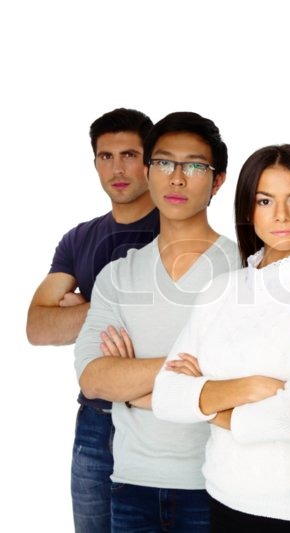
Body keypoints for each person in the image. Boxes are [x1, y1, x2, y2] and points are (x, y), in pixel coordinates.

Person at [151, 144, 290, 532]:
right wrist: (252, 387)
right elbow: (166, 396)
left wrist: (206, 397)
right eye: (265, 200)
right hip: (220, 497)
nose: (281, 215)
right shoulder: (220, 291)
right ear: (247, 210)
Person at [74, 111, 238, 531]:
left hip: (218, 488)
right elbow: (94, 378)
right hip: (131, 487)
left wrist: (133, 386)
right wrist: (191, 375)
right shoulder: (118, 274)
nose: (177, 178)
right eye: (164, 163)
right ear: (148, 172)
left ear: (217, 180)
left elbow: (253, 383)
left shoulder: (244, 270)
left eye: (195, 166)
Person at [26, 107, 159, 532]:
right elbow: (38, 327)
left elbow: (175, 322)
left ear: (150, 160)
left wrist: (86, 302)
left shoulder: (174, 228)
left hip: (158, 415)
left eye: (129, 155)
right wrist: (110, 305)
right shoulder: (79, 238)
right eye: (106, 156)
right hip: (94, 425)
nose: (117, 169)